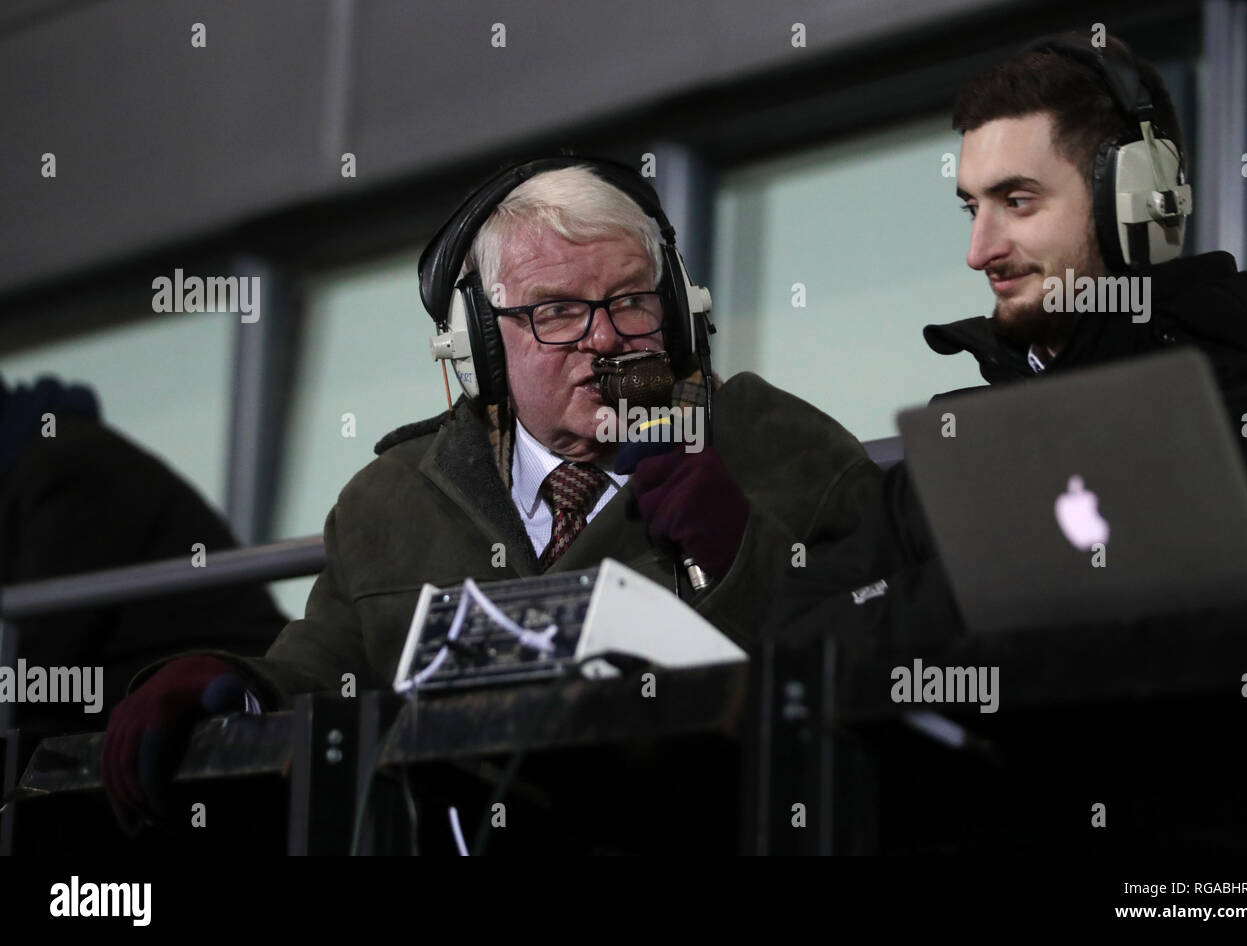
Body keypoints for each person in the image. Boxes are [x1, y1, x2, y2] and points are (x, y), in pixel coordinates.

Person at [102, 157, 895, 834]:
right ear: (484, 347)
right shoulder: (389, 501)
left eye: (630, 300)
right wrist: (228, 682)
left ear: (678, 312)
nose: (607, 338)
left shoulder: (779, 445)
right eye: (556, 312)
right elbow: (327, 675)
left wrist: (738, 558)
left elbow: (873, 659)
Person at [884, 31, 1247, 597]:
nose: (978, 252)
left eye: (1017, 202)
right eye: (971, 209)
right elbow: (807, 614)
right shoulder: (957, 438)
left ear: (1137, 203)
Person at [0, 374, 286, 740]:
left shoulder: (64, 468)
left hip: (227, 706)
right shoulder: (46, 460)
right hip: (176, 706)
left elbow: (43, 661)